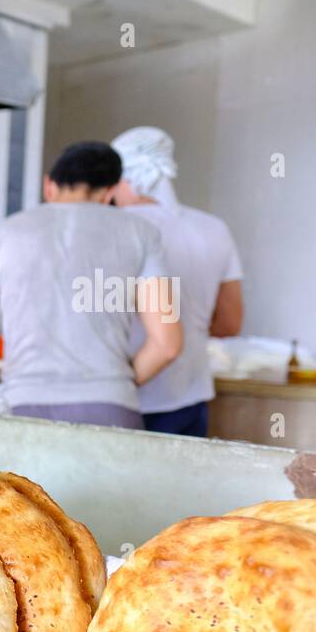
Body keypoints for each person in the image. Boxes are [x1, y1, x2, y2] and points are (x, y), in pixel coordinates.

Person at [0, 141, 182, 430]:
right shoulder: (144, 234)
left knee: (16, 479)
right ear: (110, 192)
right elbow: (168, 345)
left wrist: (1, 377)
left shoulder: (2, 234)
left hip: (21, 407)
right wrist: (112, 384)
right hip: (112, 410)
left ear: (49, 185)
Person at [111, 126, 244, 437]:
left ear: (122, 177)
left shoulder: (114, 230)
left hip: (126, 402)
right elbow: (229, 323)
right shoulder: (213, 228)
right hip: (190, 399)